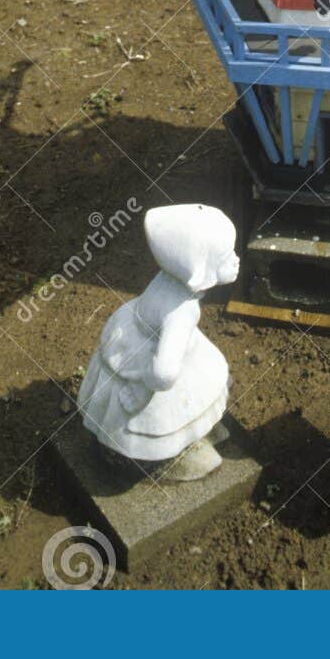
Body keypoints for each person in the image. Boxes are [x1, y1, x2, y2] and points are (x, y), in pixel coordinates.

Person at [78, 204, 239, 481]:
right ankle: (169, 457)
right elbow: (164, 372)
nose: (236, 260)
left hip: (138, 335)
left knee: (200, 383)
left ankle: (194, 431)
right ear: (198, 271)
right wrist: (144, 387)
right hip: (152, 363)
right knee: (170, 406)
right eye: (226, 257)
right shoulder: (182, 311)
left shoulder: (167, 280)